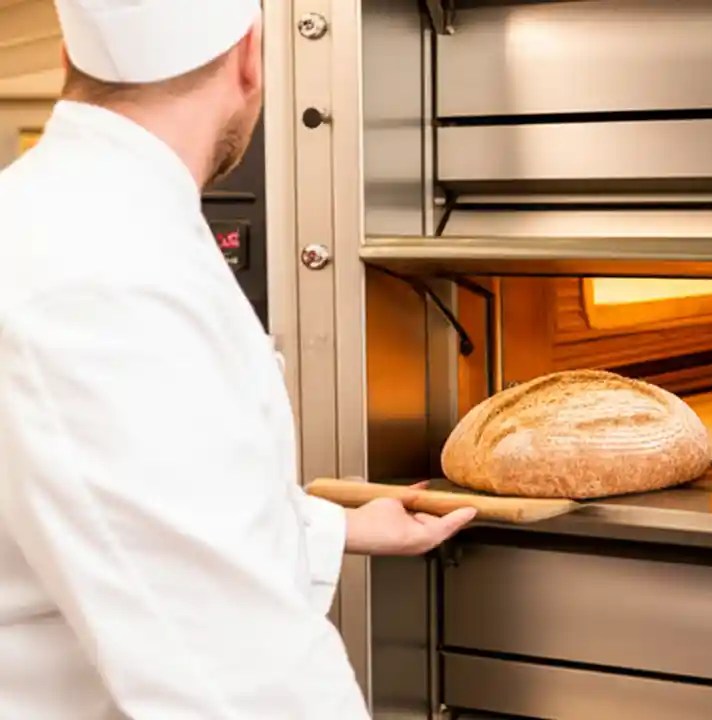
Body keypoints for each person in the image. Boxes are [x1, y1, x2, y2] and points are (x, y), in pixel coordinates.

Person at [0, 2, 475, 717]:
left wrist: (334, 527)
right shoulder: (107, 271)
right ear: (252, 60)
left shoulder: (52, 212)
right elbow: (229, 667)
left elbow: (116, 502)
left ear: (71, 61)